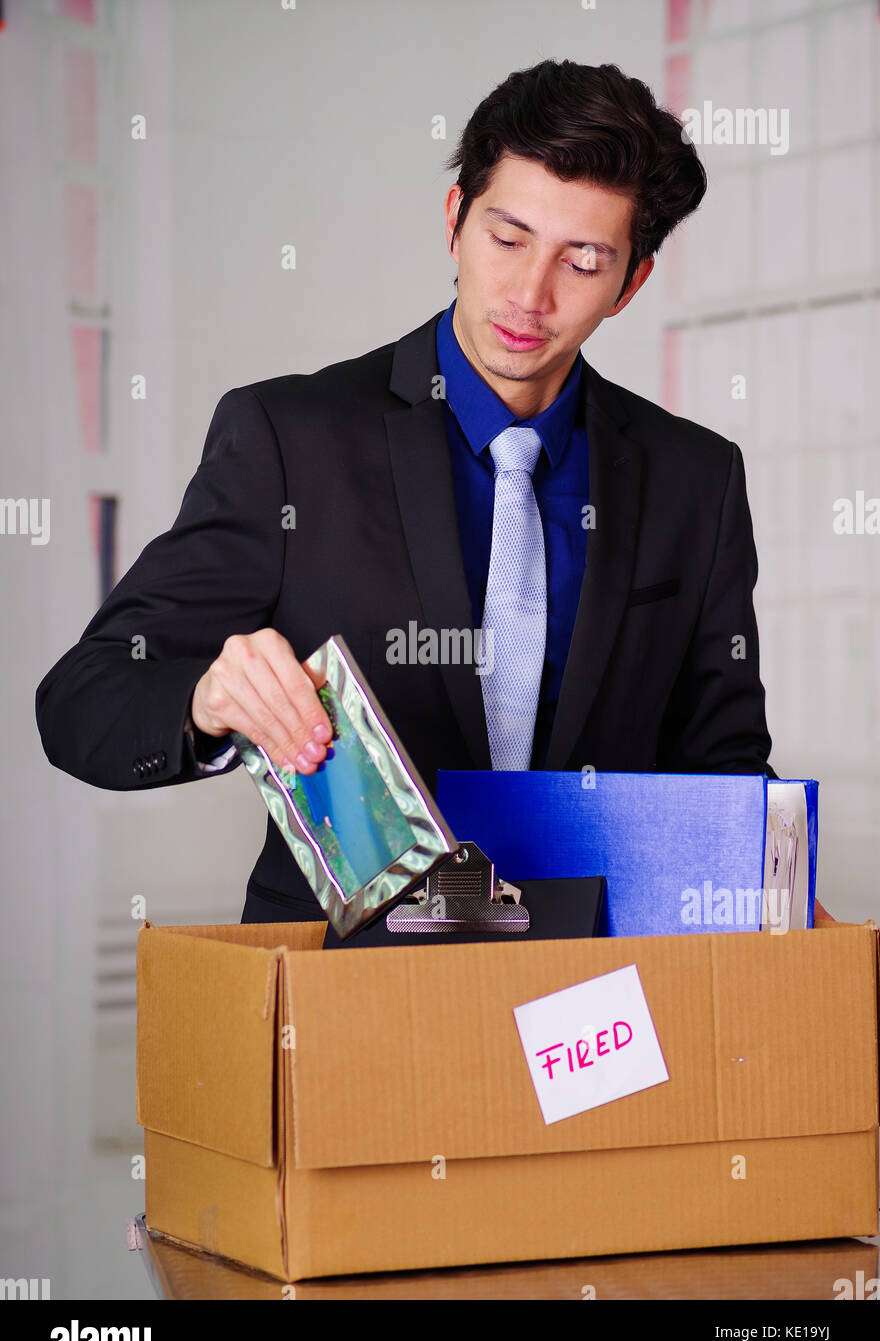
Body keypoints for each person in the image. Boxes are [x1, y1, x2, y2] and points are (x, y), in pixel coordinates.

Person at [36, 59, 797, 924]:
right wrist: (207, 700)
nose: (530, 295)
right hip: (344, 997)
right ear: (454, 220)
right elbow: (82, 698)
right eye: (507, 239)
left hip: (596, 999)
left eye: (582, 261)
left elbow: (725, 767)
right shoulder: (291, 440)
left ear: (631, 283)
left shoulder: (695, 478)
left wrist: (775, 894)